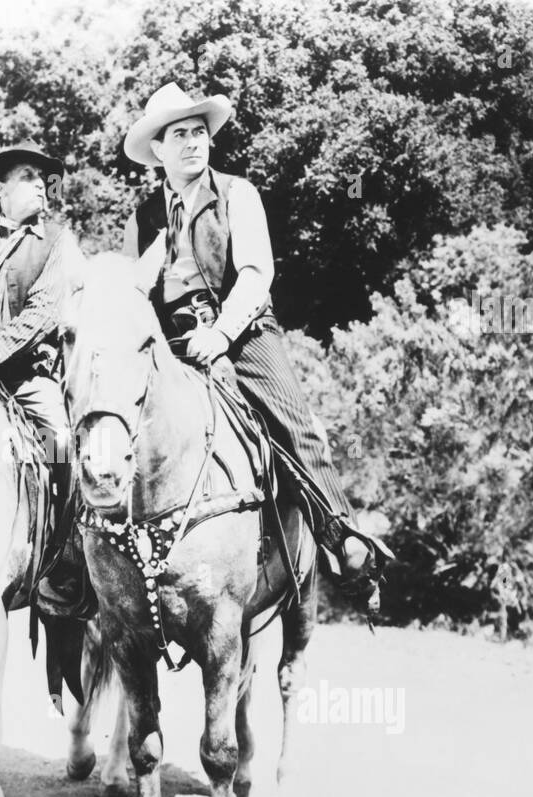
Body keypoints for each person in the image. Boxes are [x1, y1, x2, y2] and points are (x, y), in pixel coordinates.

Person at [121, 83, 393, 614]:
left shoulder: (237, 193)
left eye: (200, 131)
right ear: (158, 150)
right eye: (180, 134)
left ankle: (343, 540)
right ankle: (90, 564)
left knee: (293, 420)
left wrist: (219, 333)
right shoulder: (144, 217)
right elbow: (134, 294)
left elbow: (255, 273)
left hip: (240, 332)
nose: (194, 142)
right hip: (169, 341)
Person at [0, 142, 85, 606]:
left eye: (44, 180)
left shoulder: (57, 242)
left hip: (28, 379)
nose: (42, 188)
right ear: (0, 189)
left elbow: (44, 314)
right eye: (29, 177)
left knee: (63, 443)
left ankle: (65, 558)